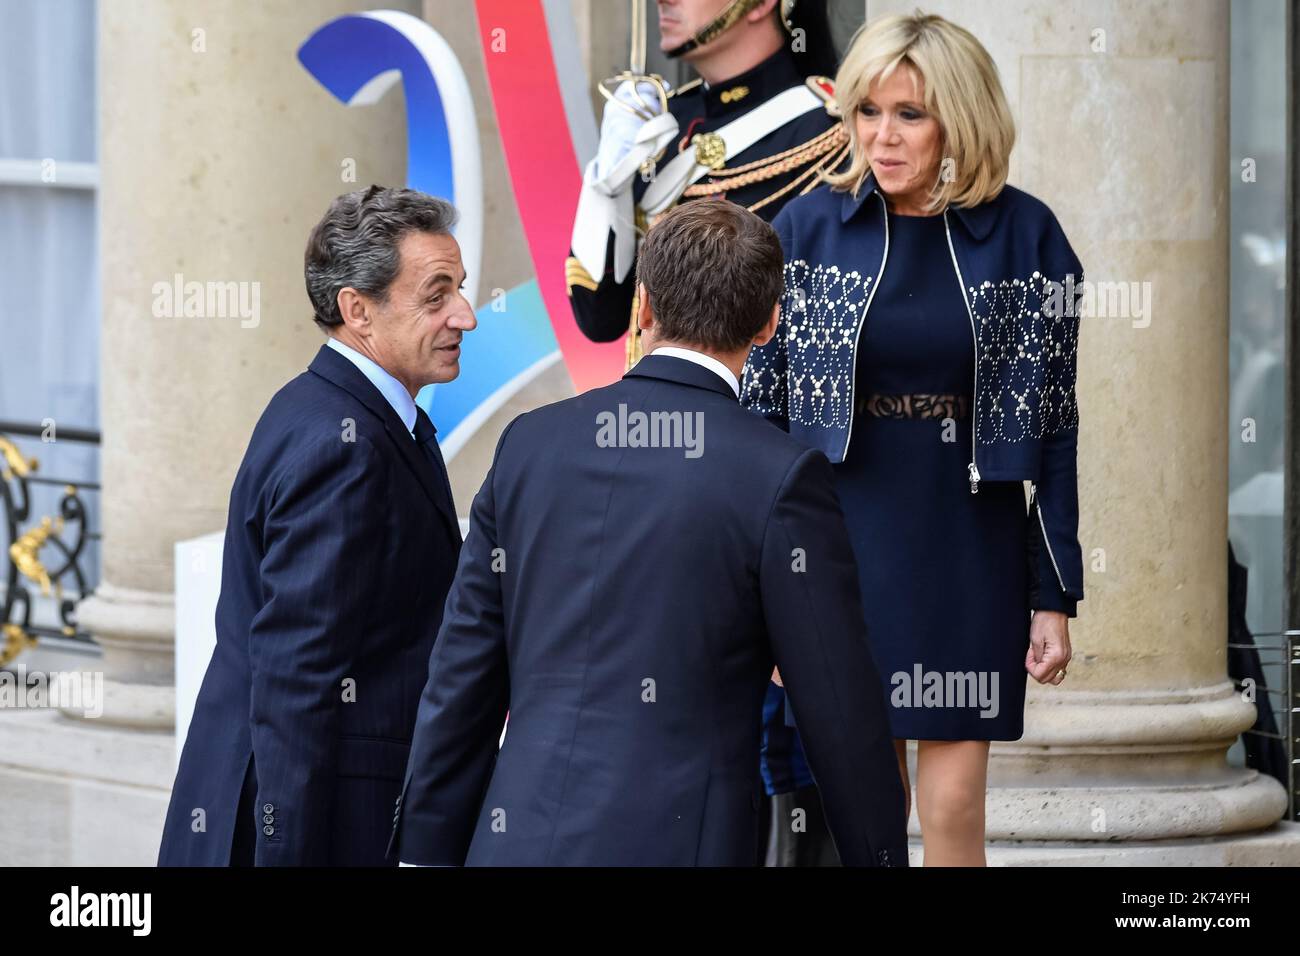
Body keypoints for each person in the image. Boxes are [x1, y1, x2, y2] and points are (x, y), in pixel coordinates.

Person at [391, 200, 908, 867]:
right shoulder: (781, 476)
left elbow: (463, 672)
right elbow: (839, 710)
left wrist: (425, 851)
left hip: (515, 838)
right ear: (769, 324)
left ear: (643, 308)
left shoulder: (530, 446)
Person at [742, 12, 1082, 866]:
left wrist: (1055, 593)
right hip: (839, 533)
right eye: (867, 111)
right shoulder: (805, 233)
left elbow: (1056, 429)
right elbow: (761, 419)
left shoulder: (1029, 239)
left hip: (969, 535)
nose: (882, 137)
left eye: (910, 115)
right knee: (864, 807)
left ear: (959, 121)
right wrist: (761, 594)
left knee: (957, 806)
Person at [566, 0, 845, 864]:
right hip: (653, 472)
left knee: (785, 755)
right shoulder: (669, 124)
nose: (666, 3)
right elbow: (600, 311)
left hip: (759, 469)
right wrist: (609, 183)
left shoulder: (827, 126)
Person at [158, 186, 475, 866]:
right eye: (436, 295)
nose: (466, 316)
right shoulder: (345, 443)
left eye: (461, 289)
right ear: (357, 310)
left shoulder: (335, 408)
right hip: (307, 824)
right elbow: (295, 677)